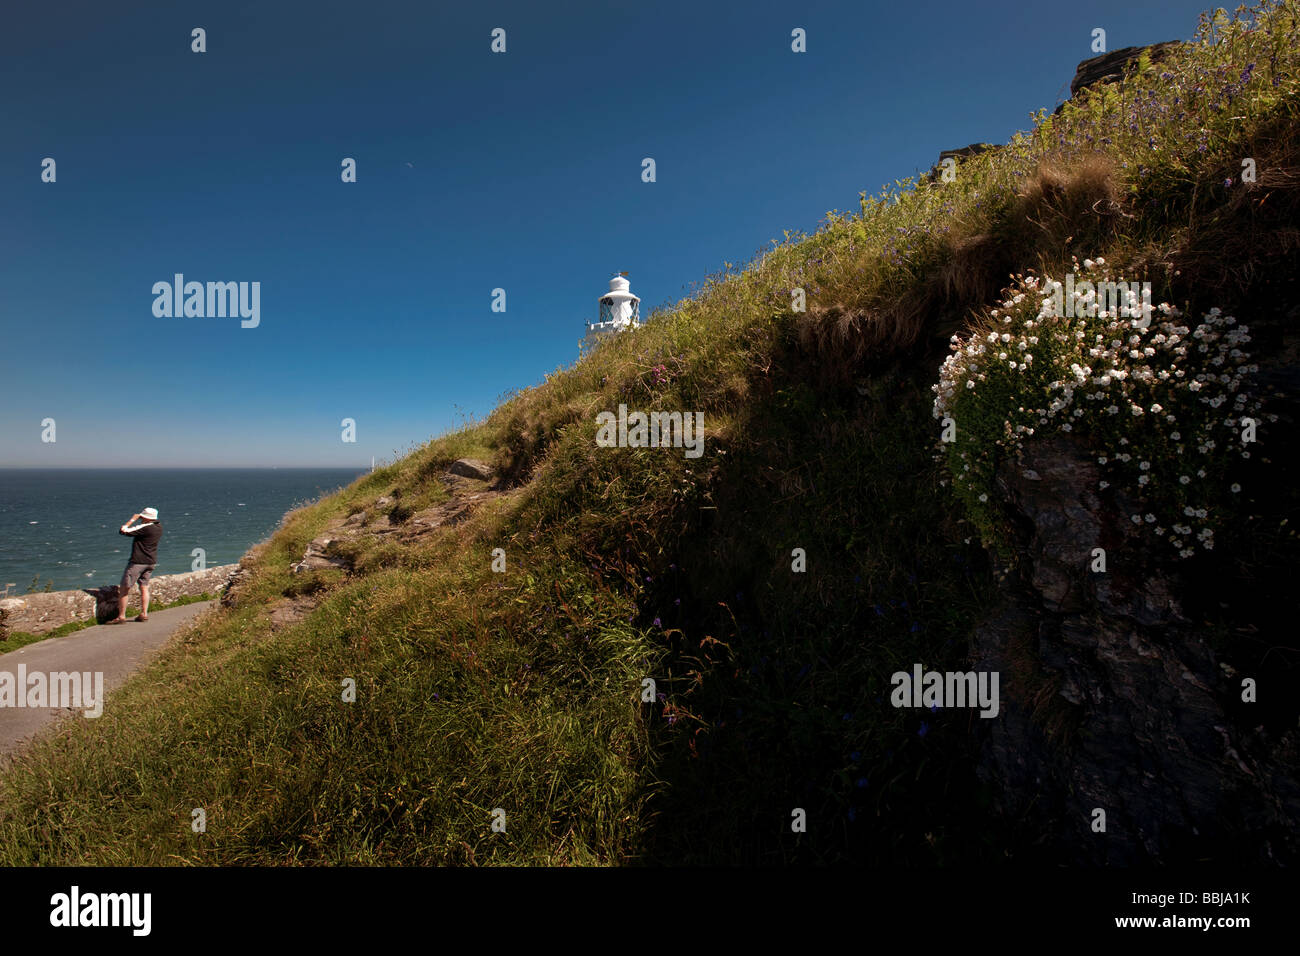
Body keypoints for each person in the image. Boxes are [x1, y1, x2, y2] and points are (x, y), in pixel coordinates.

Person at [110, 507, 163, 624]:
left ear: (146, 517)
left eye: (142, 517)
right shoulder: (159, 527)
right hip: (151, 561)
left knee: (124, 588)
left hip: (138, 562)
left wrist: (132, 519)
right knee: (144, 587)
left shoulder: (145, 528)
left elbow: (123, 531)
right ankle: (144, 613)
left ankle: (121, 616)